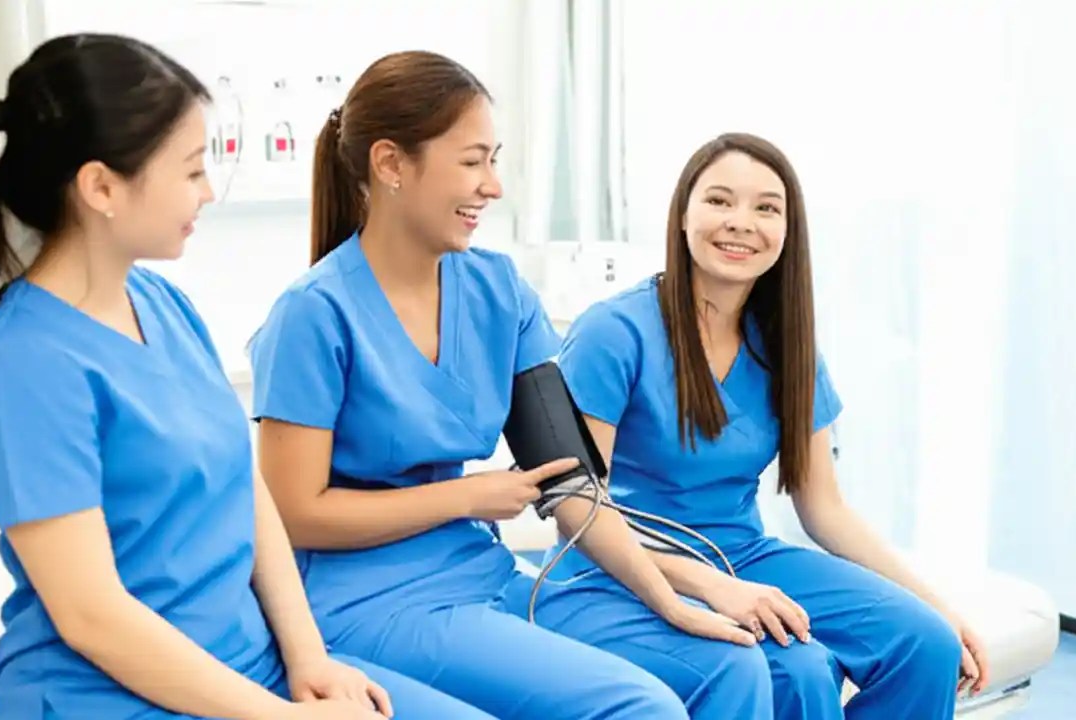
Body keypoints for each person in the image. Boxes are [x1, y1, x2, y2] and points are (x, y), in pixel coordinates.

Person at [0, 33, 449, 719]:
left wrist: (310, 659)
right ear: (101, 186)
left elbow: (245, 488)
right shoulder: (20, 365)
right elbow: (92, 616)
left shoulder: (162, 305)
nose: (209, 191)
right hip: (111, 696)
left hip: (247, 667)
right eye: (192, 169)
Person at [248, 50, 737, 719]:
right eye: (473, 161)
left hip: (485, 575)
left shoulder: (499, 291)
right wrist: (465, 496)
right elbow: (293, 512)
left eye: (495, 160)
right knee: (638, 708)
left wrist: (669, 594)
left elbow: (568, 479)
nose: (494, 186)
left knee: (729, 669)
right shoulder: (314, 314)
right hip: (366, 601)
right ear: (390, 164)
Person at [531, 133, 992, 719]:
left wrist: (935, 605)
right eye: (719, 201)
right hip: (618, 566)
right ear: (682, 215)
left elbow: (824, 508)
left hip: (742, 554)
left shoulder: (785, 346)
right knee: (800, 671)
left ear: (787, 229)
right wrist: (709, 587)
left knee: (926, 643)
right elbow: (579, 507)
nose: (740, 223)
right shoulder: (613, 332)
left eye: (766, 207)